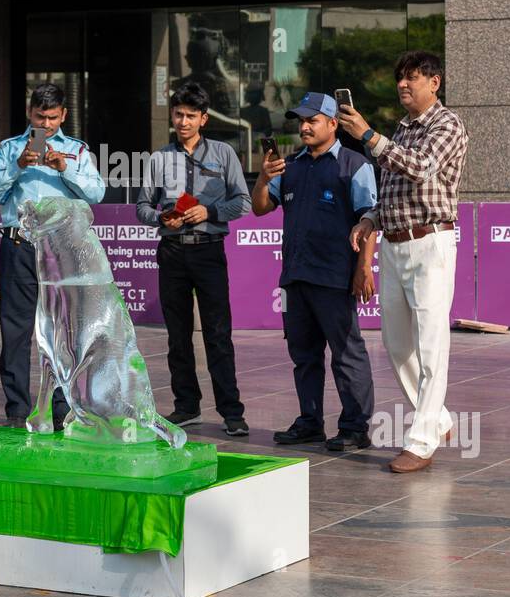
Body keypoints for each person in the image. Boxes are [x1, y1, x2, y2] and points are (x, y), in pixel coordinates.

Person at [338, 51, 469, 474]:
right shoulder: (402, 129)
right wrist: (369, 219)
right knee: (397, 344)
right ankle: (441, 420)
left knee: (432, 346)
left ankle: (422, 440)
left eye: (412, 77)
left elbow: (419, 169)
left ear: (435, 82)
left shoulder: (447, 125)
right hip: (395, 245)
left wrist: (368, 135)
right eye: (400, 78)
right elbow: (391, 188)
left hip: (430, 243)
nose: (402, 84)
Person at [252, 92, 378, 452]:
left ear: (333, 124)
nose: (304, 127)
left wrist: (363, 268)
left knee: (346, 352)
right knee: (303, 355)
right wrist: (263, 177)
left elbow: (368, 219)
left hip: (335, 276)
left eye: (312, 120)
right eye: (301, 121)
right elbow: (261, 208)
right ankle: (310, 422)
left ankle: (355, 427)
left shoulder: (355, 165)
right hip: (295, 276)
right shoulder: (289, 166)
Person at [0, 83, 107, 428]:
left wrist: (65, 168)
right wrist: (17, 166)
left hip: (61, 249)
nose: (46, 125)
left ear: (64, 115)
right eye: (40, 117)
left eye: (52, 117)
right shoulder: (10, 149)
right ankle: (17, 409)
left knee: (63, 330)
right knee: (16, 330)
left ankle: (63, 407)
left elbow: (96, 193)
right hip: (18, 245)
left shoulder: (77, 151)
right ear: (29, 113)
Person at [136, 82, 251, 437]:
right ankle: (186, 407)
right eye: (178, 115)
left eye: (190, 115)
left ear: (203, 118)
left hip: (208, 249)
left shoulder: (224, 154)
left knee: (218, 333)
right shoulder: (159, 158)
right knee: (178, 335)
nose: (183, 121)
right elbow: (142, 207)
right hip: (171, 251)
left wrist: (208, 210)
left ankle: (231, 412)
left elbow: (243, 203)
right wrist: (160, 218)